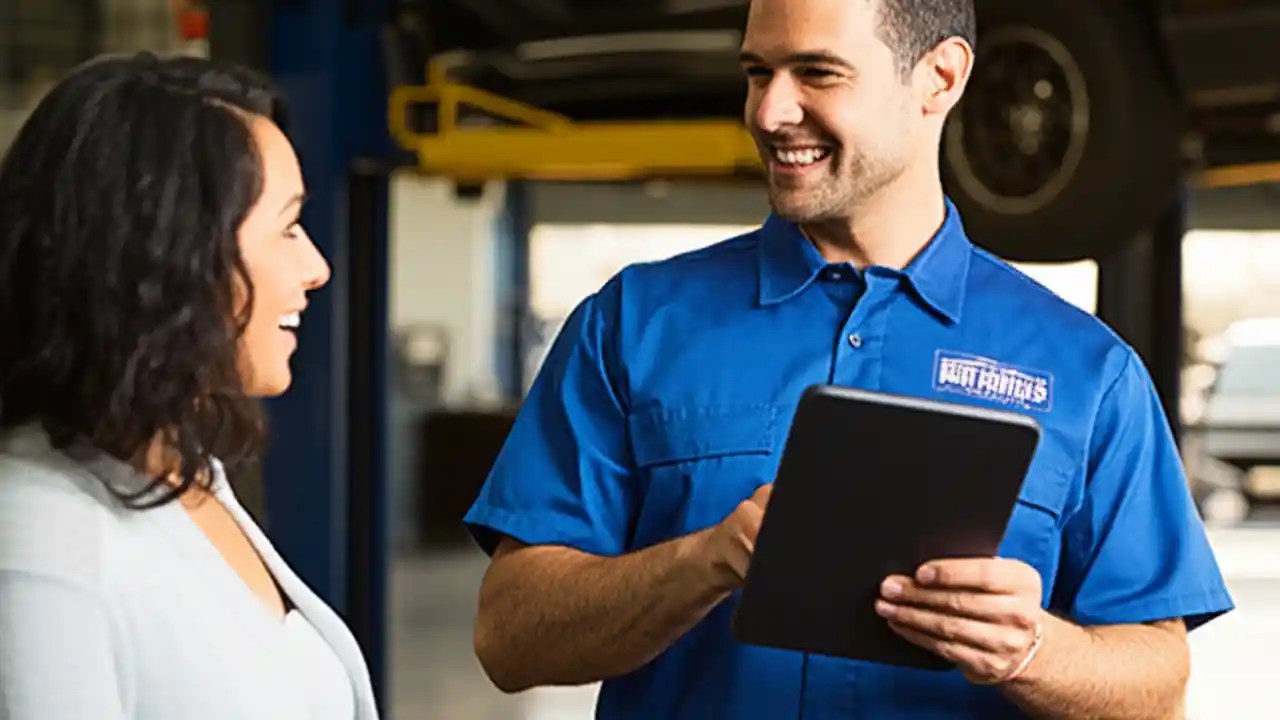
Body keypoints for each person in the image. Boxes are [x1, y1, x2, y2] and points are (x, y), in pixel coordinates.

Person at [464, 0, 1234, 717]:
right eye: (757, 72)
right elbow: (509, 636)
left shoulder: (1088, 372)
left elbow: (1157, 685)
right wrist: (701, 563)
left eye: (817, 73)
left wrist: (1030, 648)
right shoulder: (632, 325)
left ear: (940, 78)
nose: (769, 112)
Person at [0, 53, 377, 720]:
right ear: (168, 258)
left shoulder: (189, 472)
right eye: (287, 227)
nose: (316, 267)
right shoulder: (39, 546)